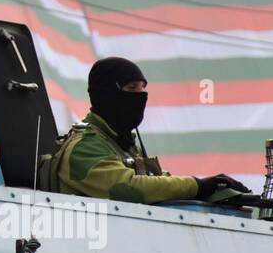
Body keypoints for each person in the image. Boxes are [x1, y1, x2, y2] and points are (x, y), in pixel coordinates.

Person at [43, 56, 249, 204]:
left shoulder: (121, 144)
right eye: (132, 88)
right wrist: (197, 186)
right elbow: (130, 188)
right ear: (106, 95)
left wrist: (214, 189)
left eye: (143, 88)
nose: (141, 96)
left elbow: (157, 181)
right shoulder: (84, 147)